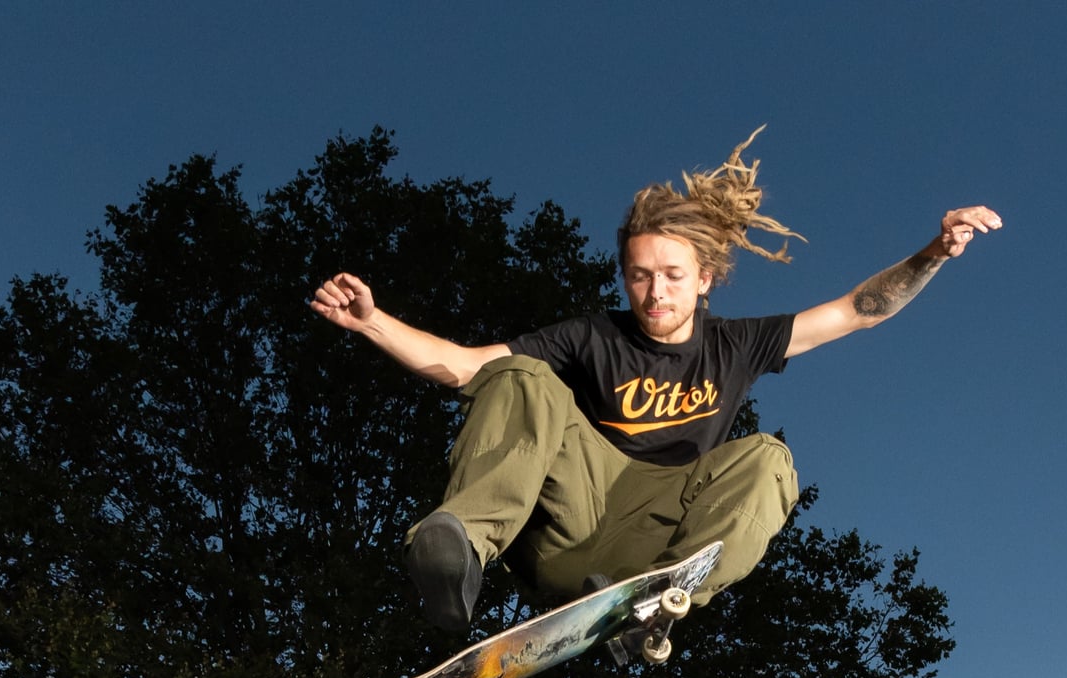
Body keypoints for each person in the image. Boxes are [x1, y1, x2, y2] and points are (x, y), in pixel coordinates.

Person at [311, 129, 1000, 633]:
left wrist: (934, 252)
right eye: (640, 276)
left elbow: (858, 310)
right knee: (518, 374)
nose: (654, 292)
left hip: (653, 543)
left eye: (672, 276)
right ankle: (457, 552)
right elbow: (466, 365)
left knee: (769, 458)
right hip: (570, 523)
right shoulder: (590, 337)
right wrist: (374, 323)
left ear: (705, 280)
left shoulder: (737, 344)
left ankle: (659, 601)